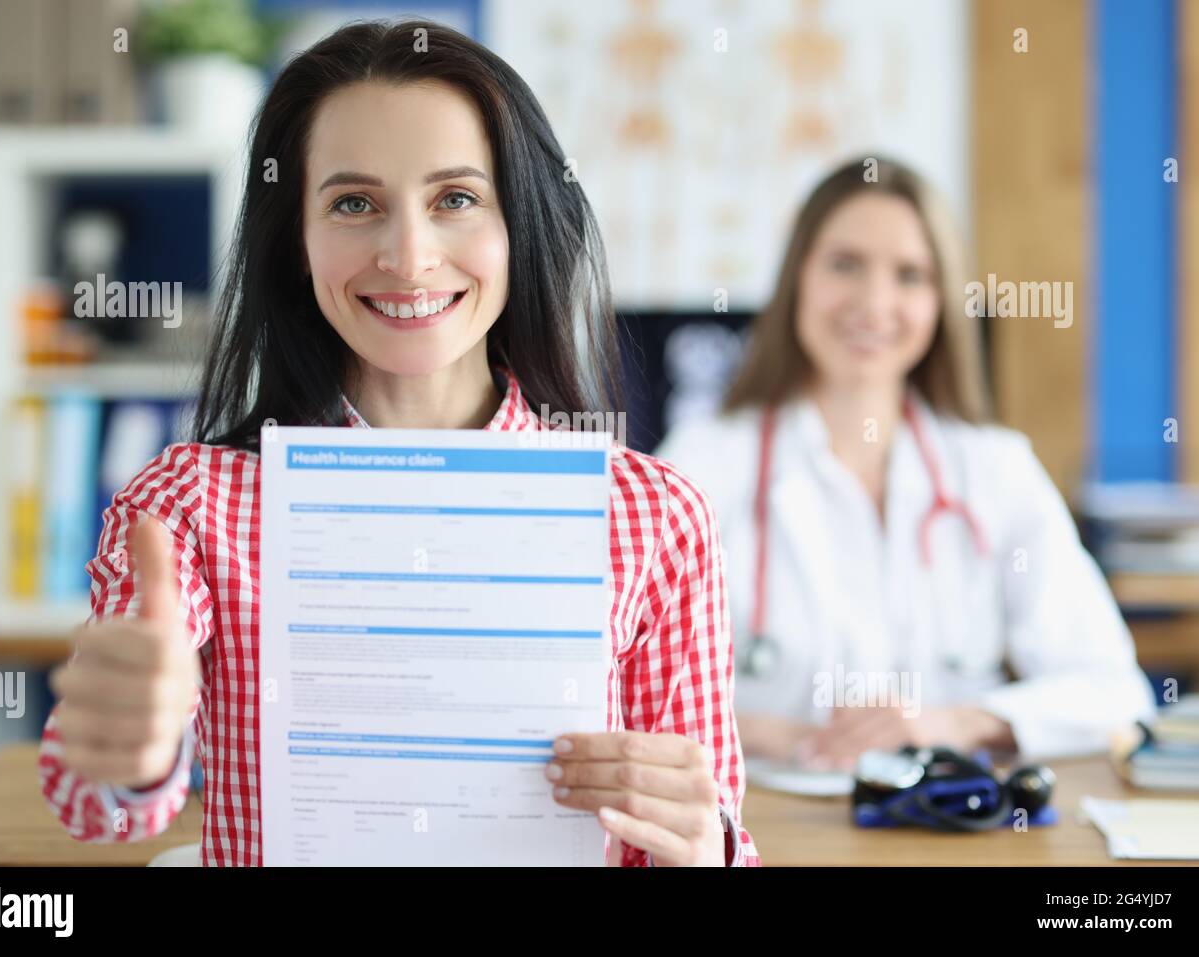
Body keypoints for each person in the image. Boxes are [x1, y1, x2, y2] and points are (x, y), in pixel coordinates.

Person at [38, 19, 757, 867]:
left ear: (519, 227)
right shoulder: (193, 505)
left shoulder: (654, 517)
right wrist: (129, 749)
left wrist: (703, 844)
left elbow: (710, 849)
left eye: (455, 198)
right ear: (296, 245)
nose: (408, 256)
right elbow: (93, 802)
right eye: (353, 204)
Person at [655, 157, 1155, 770]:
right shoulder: (700, 463)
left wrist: (953, 723)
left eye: (910, 275)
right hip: (756, 834)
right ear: (797, 279)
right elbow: (619, 691)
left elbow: (1113, 694)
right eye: (845, 265)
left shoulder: (995, 469)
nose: (874, 303)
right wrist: (766, 734)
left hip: (942, 836)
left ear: (942, 300)